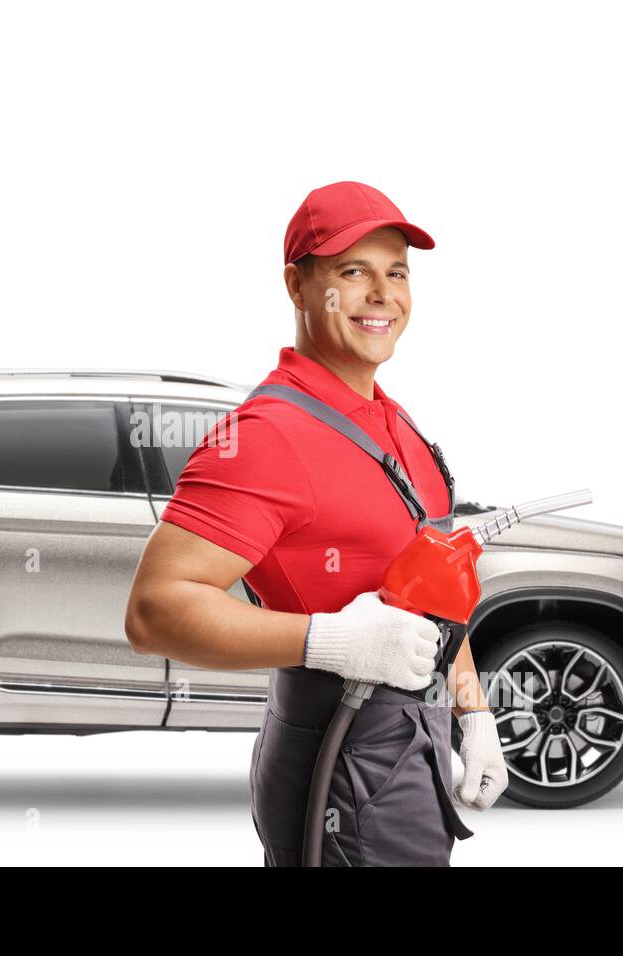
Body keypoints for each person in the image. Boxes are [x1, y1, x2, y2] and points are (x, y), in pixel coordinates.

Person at [124, 180, 507, 866]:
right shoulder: (268, 437)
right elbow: (155, 611)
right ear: (298, 287)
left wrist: (472, 711)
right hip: (343, 761)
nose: (382, 293)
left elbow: (432, 594)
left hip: (411, 748)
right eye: (352, 271)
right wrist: (331, 641)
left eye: (397, 273)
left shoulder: (399, 428)